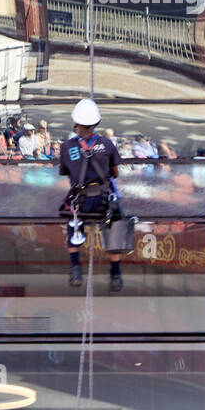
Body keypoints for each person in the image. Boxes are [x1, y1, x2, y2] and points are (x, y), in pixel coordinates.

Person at [59, 97, 127, 292]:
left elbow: (66, 173)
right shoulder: (107, 144)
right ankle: (115, 275)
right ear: (96, 123)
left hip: (80, 199)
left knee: (74, 228)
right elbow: (115, 172)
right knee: (114, 227)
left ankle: (75, 269)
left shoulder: (67, 147)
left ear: (76, 123)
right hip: (104, 198)